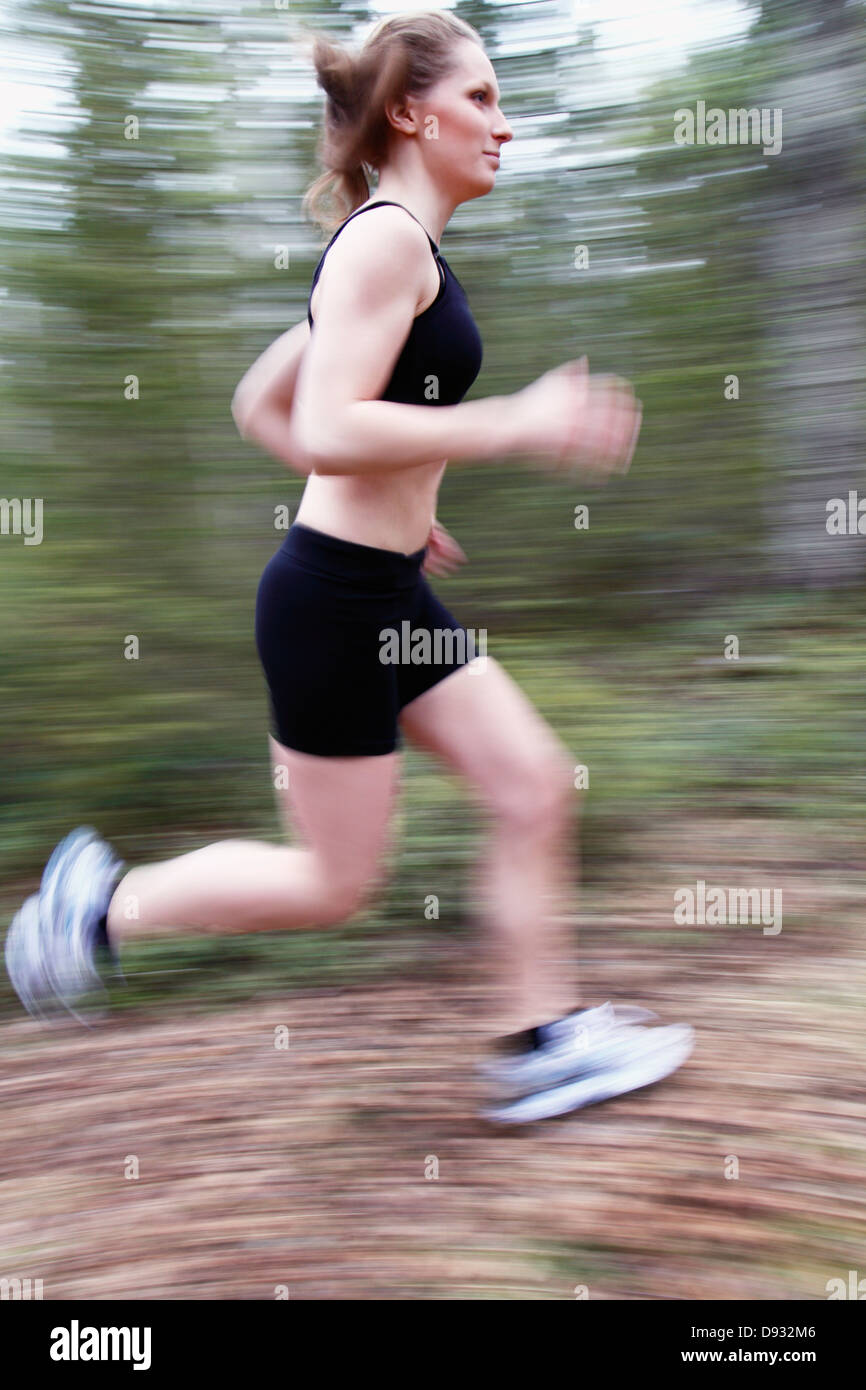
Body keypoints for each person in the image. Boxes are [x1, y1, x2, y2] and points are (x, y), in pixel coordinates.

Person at [5, 10, 693, 1124]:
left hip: (383, 588)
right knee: (332, 883)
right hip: (329, 602)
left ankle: (538, 1046)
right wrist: (514, 421)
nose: (502, 126)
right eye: (479, 98)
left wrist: (402, 517)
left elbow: (261, 402)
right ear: (410, 112)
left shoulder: (392, 249)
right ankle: (95, 906)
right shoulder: (381, 243)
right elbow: (325, 423)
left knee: (528, 786)